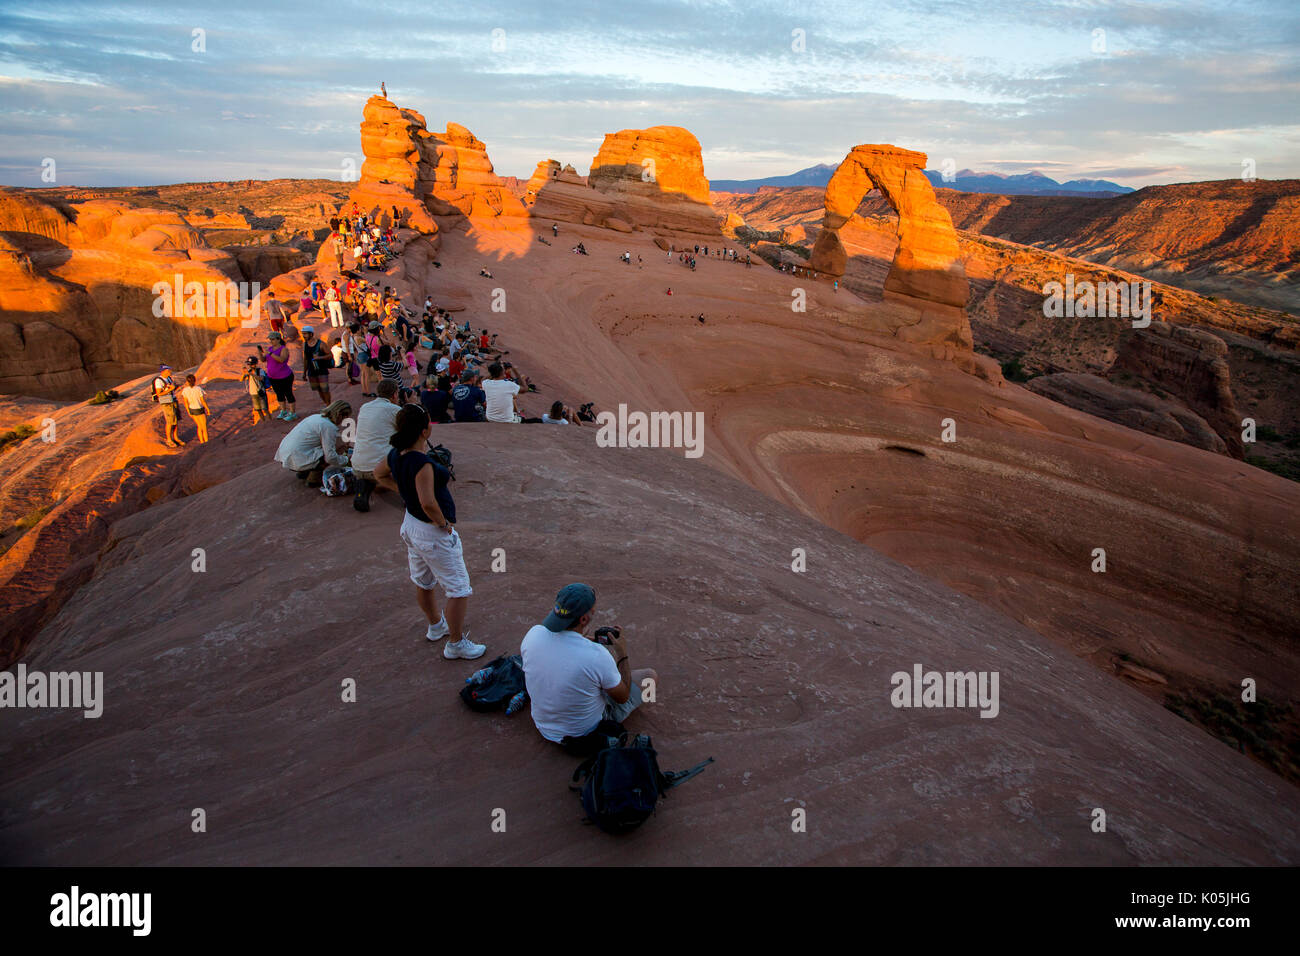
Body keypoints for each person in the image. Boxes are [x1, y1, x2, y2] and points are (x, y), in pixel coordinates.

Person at [374, 403, 485, 660]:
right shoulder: (421, 463)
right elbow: (427, 502)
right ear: (425, 431)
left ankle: (436, 626)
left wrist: (403, 491)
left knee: (423, 581)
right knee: (458, 589)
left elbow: (378, 474)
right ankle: (456, 644)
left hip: (411, 525)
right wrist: (443, 524)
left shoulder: (395, 454)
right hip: (431, 532)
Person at [519, 583, 655, 746]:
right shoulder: (596, 655)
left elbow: (561, 652)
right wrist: (622, 653)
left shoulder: (533, 634)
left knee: (589, 679)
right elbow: (622, 697)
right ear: (583, 619)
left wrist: (581, 639)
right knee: (649, 677)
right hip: (582, 732)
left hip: (543, 726)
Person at [273, 399, 351, 487]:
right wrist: (346, 460)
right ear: (339, 414)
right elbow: (330, 457)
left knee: (330, 444)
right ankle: (313, 478)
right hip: (296, 456)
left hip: (285, 454)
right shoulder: (329, 427)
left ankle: (304, 471)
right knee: (337, 448)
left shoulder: (316, 417)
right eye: (345, 417)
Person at [351, 380, 401, 512]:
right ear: (395, 394)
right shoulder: (395, 410)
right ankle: (409, 495)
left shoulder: (365, 407)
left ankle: (363, 487)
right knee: (409, 450)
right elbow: (410, 433)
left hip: (357, 466)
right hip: (380, 467)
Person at [264, 331, 297, 421]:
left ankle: (293, 413)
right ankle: (283, 411)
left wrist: (270, 353)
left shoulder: (283, 349)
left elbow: (282, 359)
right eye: (270, 339)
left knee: (288, 393)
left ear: (278, 339)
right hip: (273, 377)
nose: (271, 341)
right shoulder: (270, 348)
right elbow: (263, 359)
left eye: (273, 339)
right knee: (279, 394)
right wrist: (260, 353)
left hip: (285, 376)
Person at [151, 364, 184, 447]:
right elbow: (159, 394)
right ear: (163, 371)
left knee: (175, 420)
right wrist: (171, 389)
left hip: (173, 399)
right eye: (168, 370)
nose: (170, 371)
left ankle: (176, 437)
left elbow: (171, 388)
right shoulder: (158, 381)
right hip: (166, 402)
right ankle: (169, 440)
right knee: (170, 421)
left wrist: (175, 388)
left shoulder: (168, 378)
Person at [300, 326, 332, 407]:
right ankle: (326, 404)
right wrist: (304, 373)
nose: (304, 336)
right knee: (318, 389)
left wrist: (319, 357)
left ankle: (329, 405)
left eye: (305, 334)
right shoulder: (304, 345)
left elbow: (330, 355)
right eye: (303, 334)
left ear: (311, 334)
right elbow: (305, 359)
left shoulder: (321, 344)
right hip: (311, 371)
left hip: (322, 370)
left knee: (325, 389)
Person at [180, 373, 210, 443]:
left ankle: (202, 441)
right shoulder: (198, 389)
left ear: (187, 381)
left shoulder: (185, 390)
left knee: (199, 426)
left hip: (192, 409)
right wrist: (207, 409)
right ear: (194, 381)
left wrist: (188, 411)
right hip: (199, 409)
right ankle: (206, 442)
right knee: (204, 427)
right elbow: (202, 401)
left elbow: (185, 402)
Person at [241, 356, 270, 424]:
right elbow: (241, 379)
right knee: (258, 410)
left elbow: (261, 378)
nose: (250, 366)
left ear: (255, 364)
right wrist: (244, 373)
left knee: (265, 409)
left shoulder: (260, 370)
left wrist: (251, 374)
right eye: (249, 364)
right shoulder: (249, 371)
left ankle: (270, 422)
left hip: (260, 392)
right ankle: (264, 423)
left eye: (251, 364)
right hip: (253, 393)